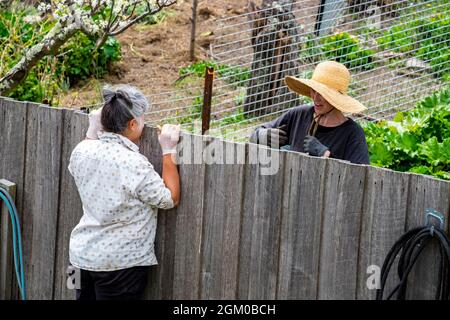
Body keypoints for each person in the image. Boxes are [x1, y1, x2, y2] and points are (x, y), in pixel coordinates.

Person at [68, 84, 181, 300]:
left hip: (78, 259)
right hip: (119, 266)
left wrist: (92, 129)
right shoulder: (133, 163)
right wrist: (168, 149)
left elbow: (84, 150)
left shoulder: (82, 150)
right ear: (132, 124)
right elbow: (170, 198)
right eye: (142, 120)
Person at [250, 61, 370, 165]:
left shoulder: (353, 133)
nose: (315, 98)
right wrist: (261, 135)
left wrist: (325, 154)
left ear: (336, 98)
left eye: (323, 94)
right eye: (313, 90)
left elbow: (358, 178)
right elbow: (255, 134)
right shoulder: (298, 115)